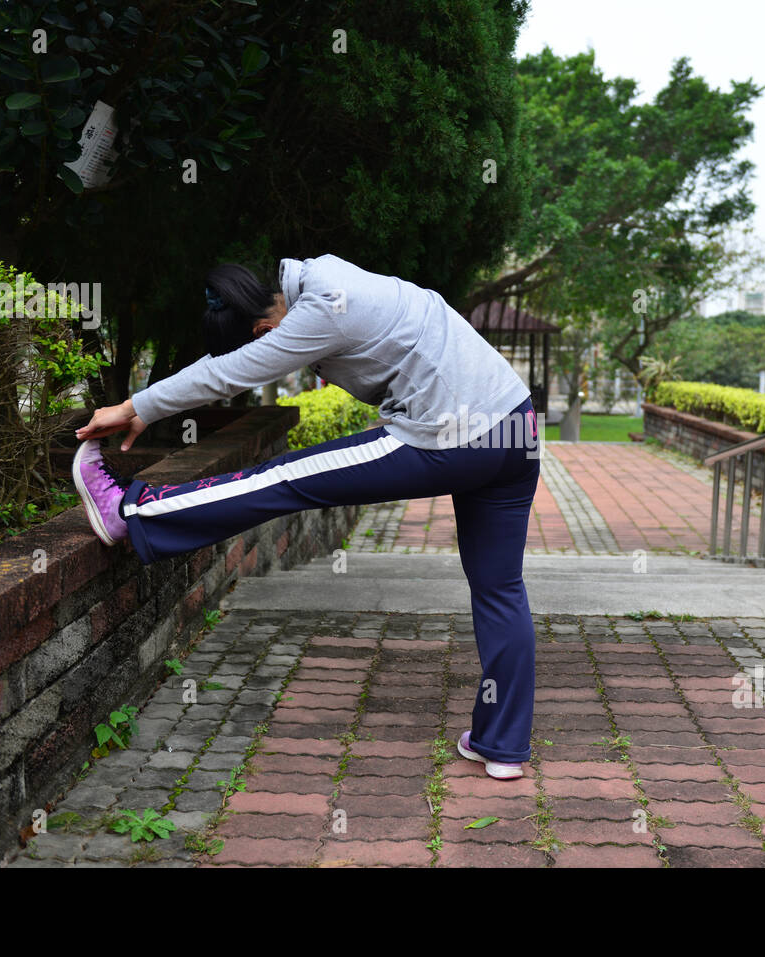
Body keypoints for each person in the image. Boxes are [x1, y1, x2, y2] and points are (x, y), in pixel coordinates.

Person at [72, 255, 539, 779]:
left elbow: (225, 373)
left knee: (281, 478)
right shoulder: (331, 279)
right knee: (501, 588)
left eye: (262, 344)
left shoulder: (322, 307)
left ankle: (131, 514)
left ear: (262, 329)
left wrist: (132, 405)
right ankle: (502, 746)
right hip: (515, 429)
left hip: (449, 436)